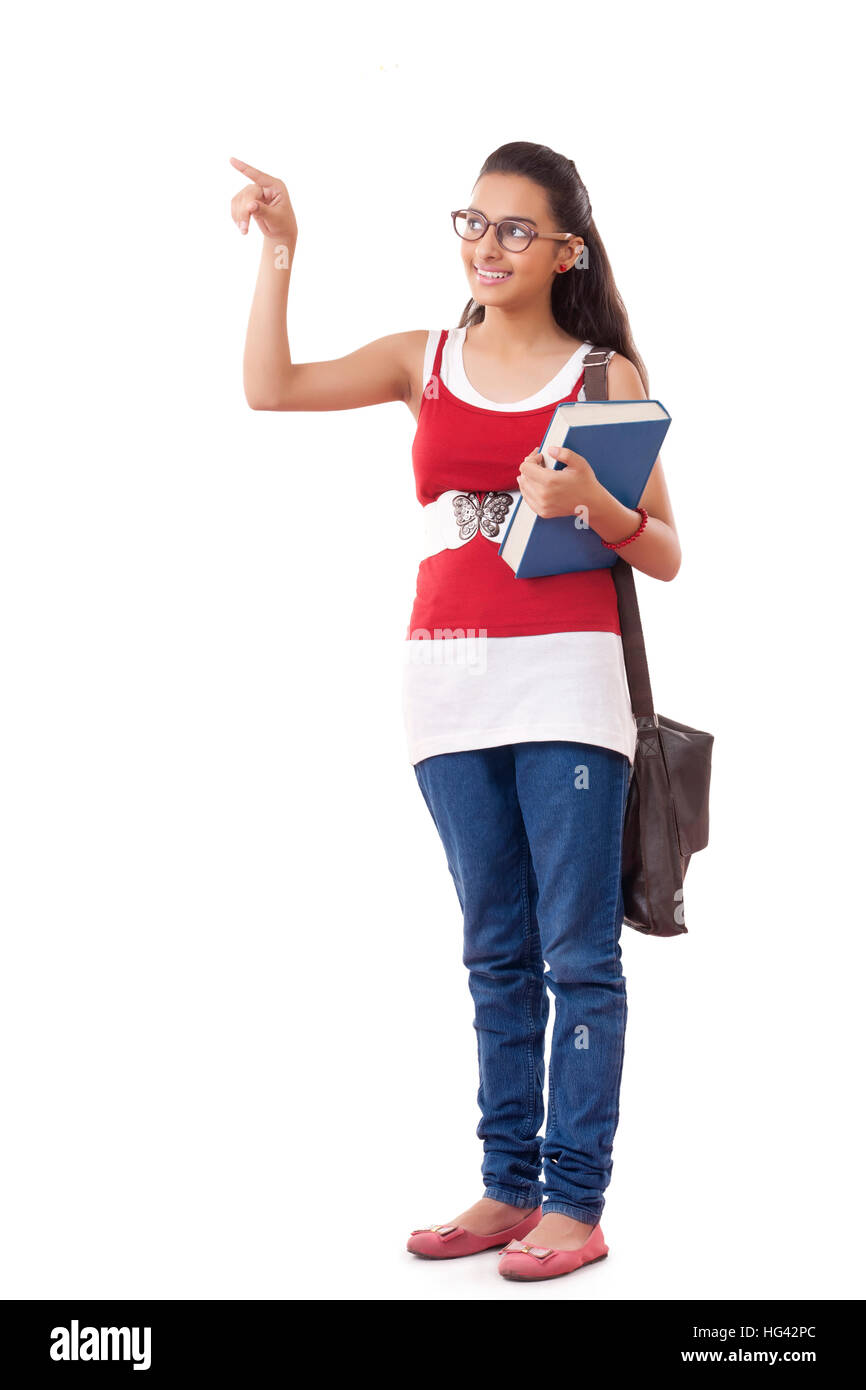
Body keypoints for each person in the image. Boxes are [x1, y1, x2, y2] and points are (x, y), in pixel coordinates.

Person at [230, 141, 681, 1283]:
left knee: (575, 953)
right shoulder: (419, 360)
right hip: (446, 680)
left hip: (570, 683)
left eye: (515, 230)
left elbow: (667, 553)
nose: (486, 245)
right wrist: (282, 246)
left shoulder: (603, 376)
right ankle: (504, 1186)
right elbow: (269, 387)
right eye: (471, 223)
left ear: (565, 250)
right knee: (492, 948)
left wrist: (594, 505)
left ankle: (573, 1205)